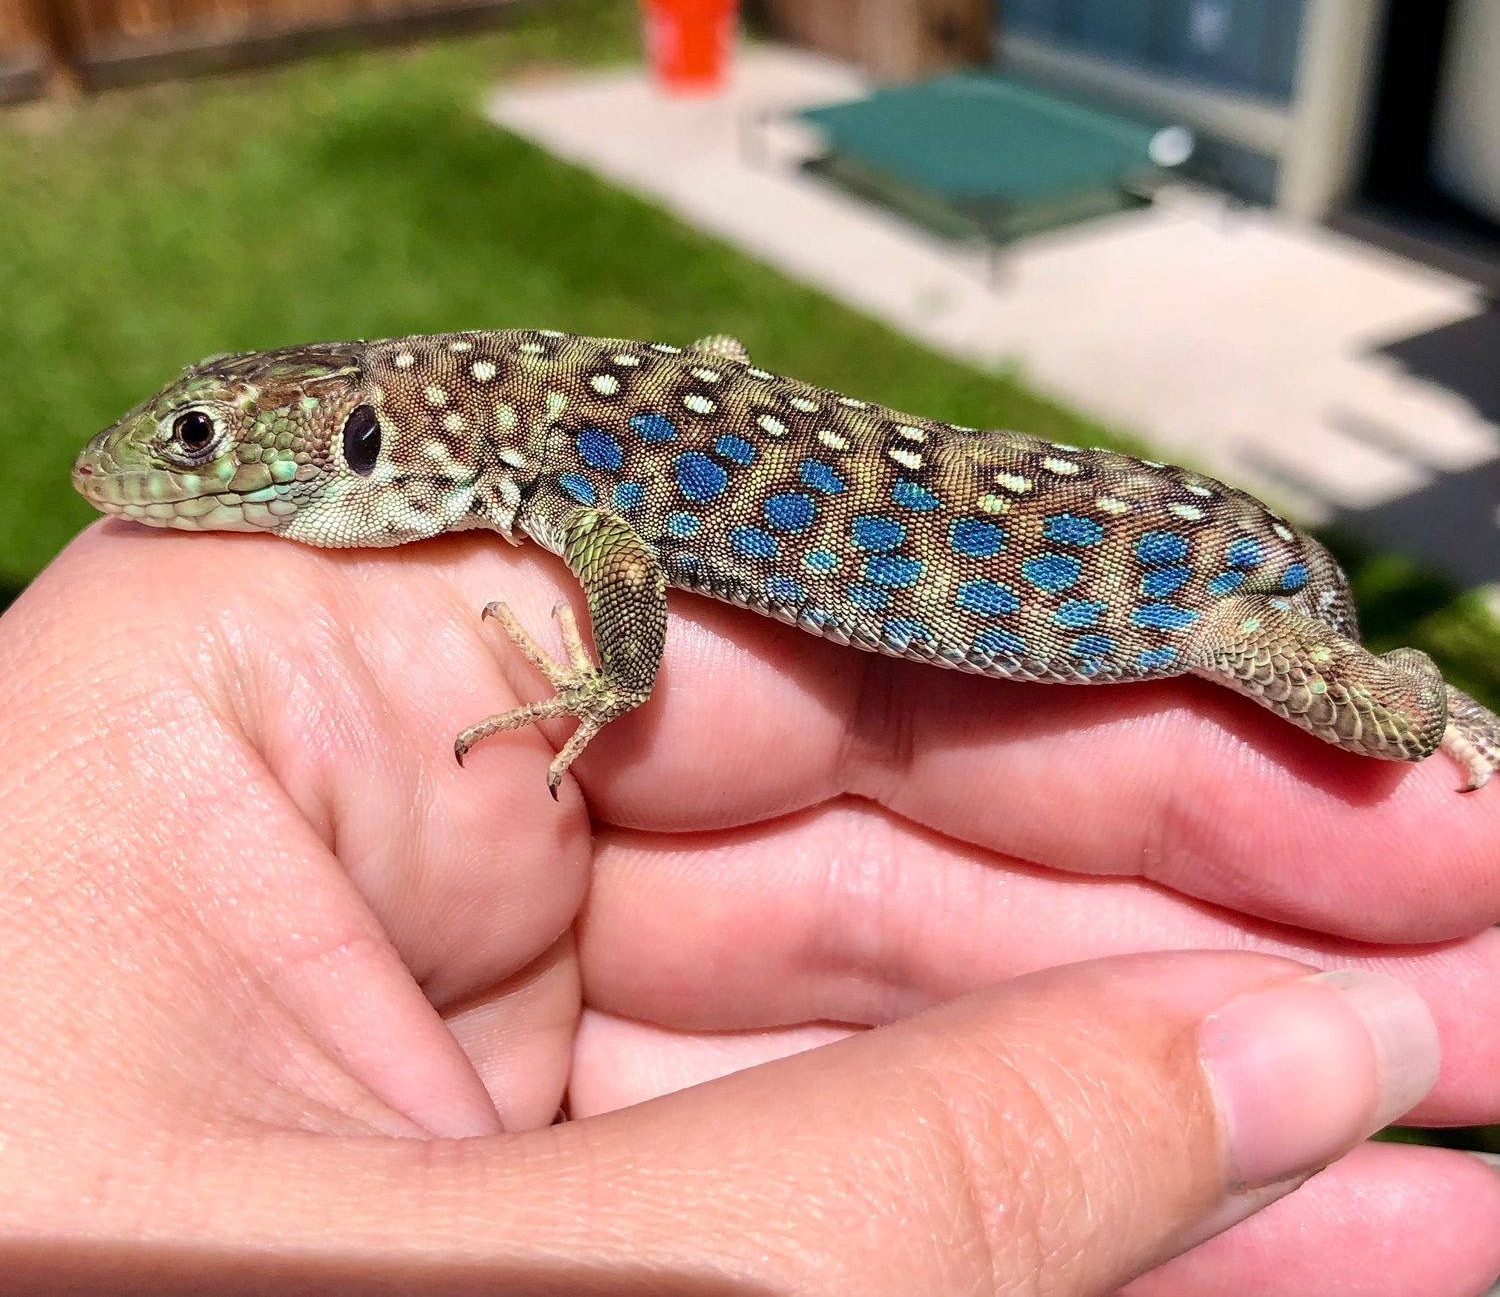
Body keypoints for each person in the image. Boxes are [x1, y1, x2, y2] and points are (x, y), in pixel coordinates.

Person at [0, 518, 1497, 1296]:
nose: (123, 476)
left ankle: (1428, 693)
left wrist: (602, 680)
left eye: (199, 445)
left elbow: (632, 617)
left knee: (1371, 728)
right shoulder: (577, 462)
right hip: (1172, 554)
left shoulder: (585, 500)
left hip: (1207, 590)